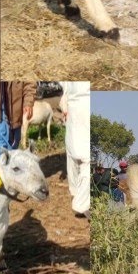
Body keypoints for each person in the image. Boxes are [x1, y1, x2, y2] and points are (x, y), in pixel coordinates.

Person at [61, 81, 91, 218]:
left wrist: (65, 104)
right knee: (84, 158)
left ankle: (77, 195)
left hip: (74, 106)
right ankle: (81, 203)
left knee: (74, 154)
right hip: (80, 106)